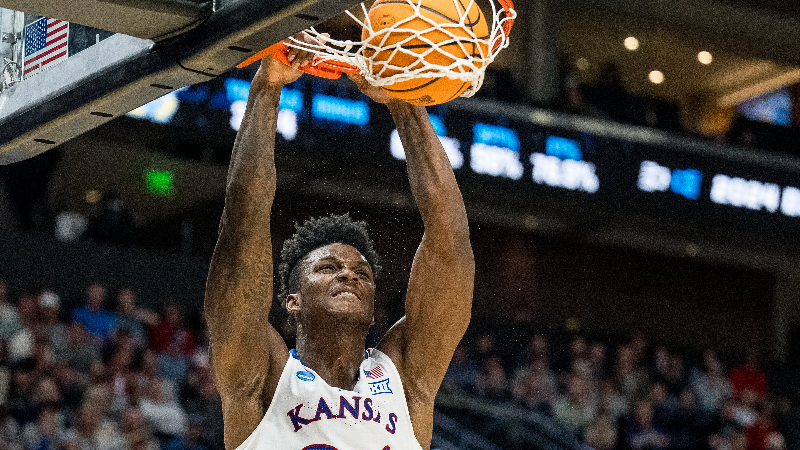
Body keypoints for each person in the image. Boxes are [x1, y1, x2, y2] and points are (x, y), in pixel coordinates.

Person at [204, 37, 474, 450]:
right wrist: (267, 86)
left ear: (372, 307)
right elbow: (241, 231)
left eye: (361, 273)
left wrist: (403, 101)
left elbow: (450, 240)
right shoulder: (265, 376)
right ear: (292, 301)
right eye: (327, 268)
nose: (349, 272)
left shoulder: (403, 379)